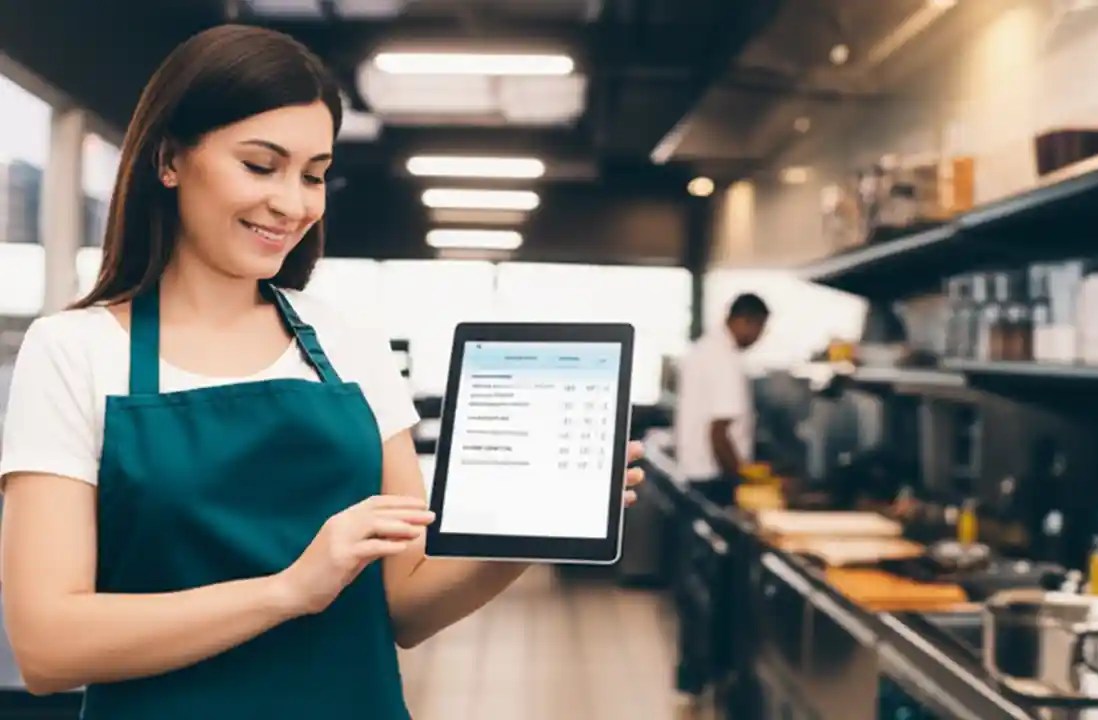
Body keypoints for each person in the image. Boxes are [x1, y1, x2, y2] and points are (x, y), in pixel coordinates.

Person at [0, 24, 643, 718]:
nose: (293, 203)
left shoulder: (347, 339)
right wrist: (289, 590)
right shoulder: (73, 350)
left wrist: (534, 527)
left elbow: (406, 605)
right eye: (260, 165)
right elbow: (48, 647)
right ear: (169, 160)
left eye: (313, 174)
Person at [674, 293, 769, 506]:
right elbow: (719, 432)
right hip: (714, 480)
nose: (759, 337)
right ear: (744, 321)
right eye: (760, 328)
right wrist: (742, 481)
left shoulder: (704, 348)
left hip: (695, 474)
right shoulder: (725, 359)